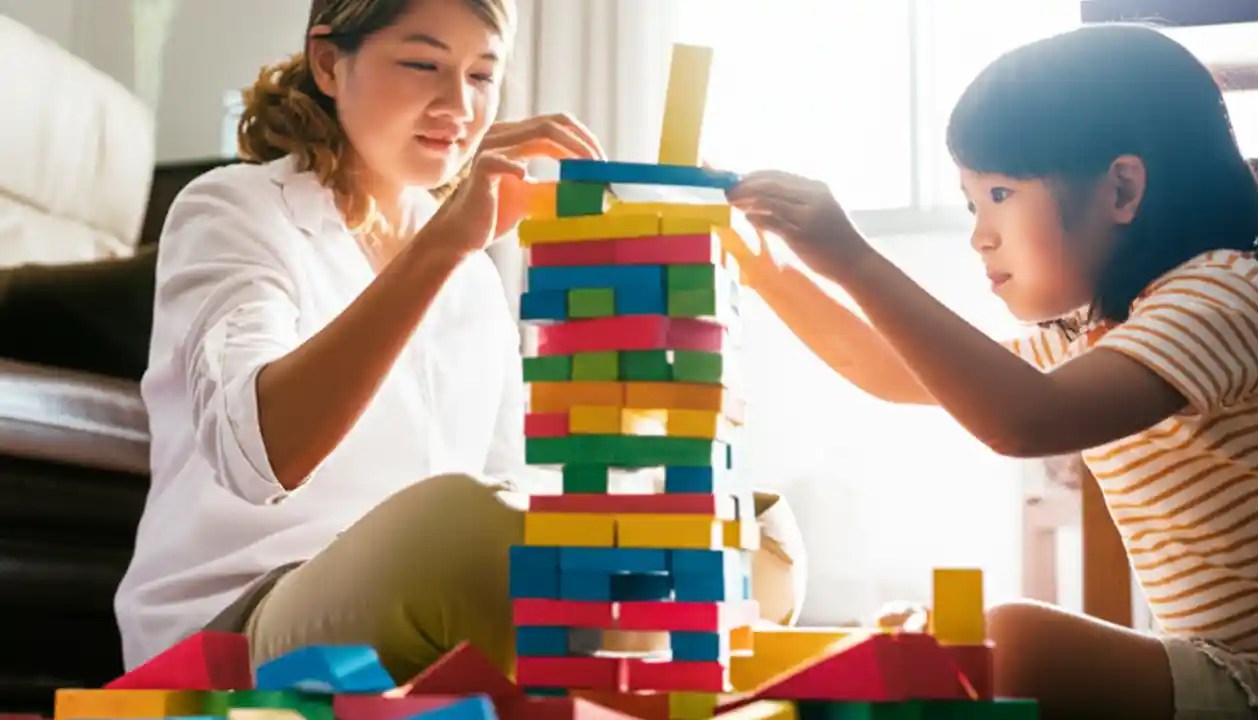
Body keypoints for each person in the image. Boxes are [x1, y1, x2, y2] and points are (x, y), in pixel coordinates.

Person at [114, 0, 806, 682]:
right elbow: (260, 455)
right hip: (241, 617)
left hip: (429, 594)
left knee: (761, 538)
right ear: (328, 62)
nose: (460, 104)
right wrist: (440, 247)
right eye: (423, 64)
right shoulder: (234, 208)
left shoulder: (470, 270)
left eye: (482, 76)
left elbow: (516, 482)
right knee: (469, 534)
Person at [722, 23, 1258, 720]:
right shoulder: (1091, 333)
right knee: (966, 643)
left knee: (1009, 638)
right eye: (970, 204)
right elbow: (886, 368)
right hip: (1217, 666)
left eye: (1001, 196)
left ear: (1122, 190)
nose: (979, 235)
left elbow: (1026, 419)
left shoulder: (1225, 291)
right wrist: (764, 268)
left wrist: (855, 259)